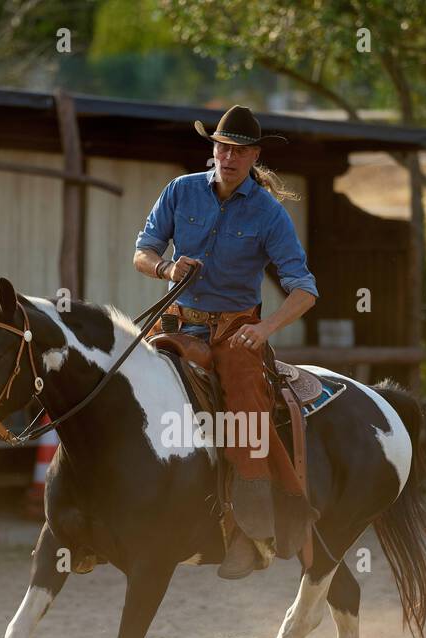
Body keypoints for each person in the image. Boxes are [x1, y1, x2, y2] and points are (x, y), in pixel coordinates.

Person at [133, 104, 319, 579]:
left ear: (254, 155)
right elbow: (144, 252)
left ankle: (249, 532)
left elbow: (304, 290)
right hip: (175, 320)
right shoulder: (181, 190)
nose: (227, 156)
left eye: (238, 150)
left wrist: (264, 329)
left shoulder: (269, 214)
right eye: (221, 147)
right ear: (212, 149)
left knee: (246, 407)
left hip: (236, 329)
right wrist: (166, 269)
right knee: (125, 380)